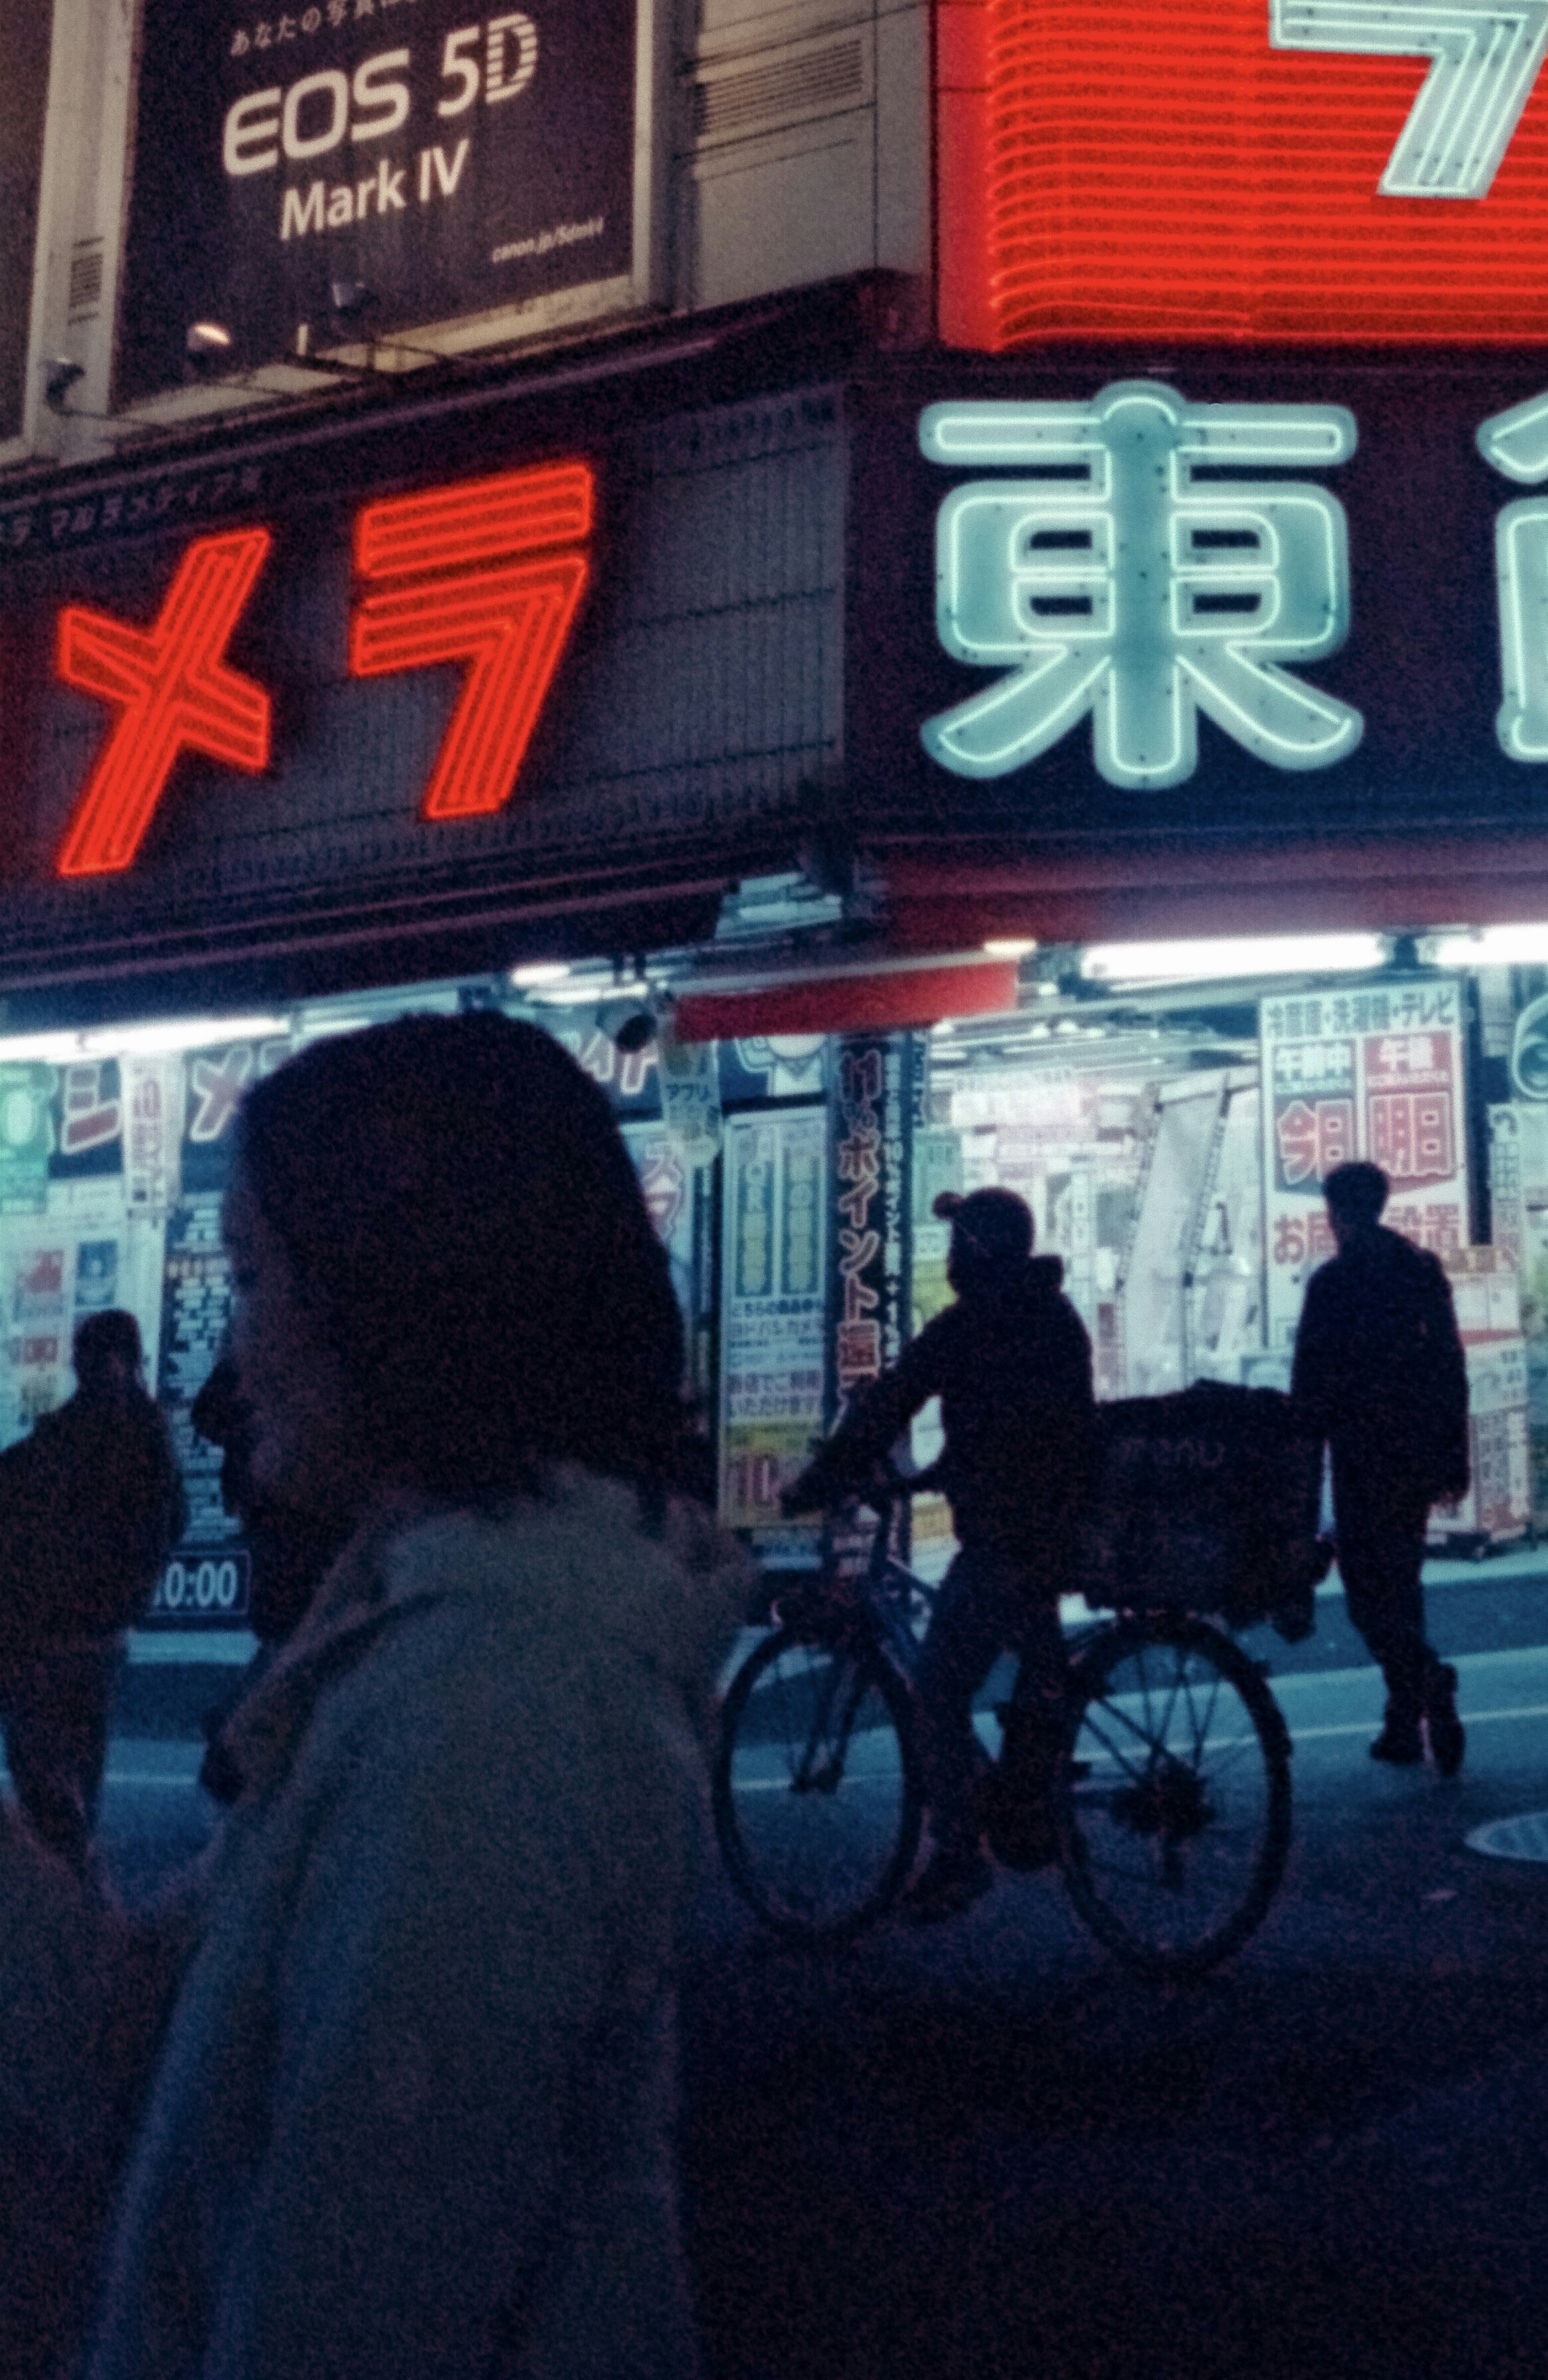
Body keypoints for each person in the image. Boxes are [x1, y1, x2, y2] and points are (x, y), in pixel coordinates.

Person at [0, 1008, 753, 2380]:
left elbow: (356, 2288)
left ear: (394, 1294)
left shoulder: (498, 1696)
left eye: (250, 1276)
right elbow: (141, 2047)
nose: (233, 1355)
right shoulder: (427, 1633)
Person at [787, 1184, 1100, 1920]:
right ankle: (1030, 1803)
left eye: (958, 1243)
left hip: (1006, 1536)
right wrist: (942, 1471)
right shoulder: (1055, 1314)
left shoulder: (971, 1325)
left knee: (936, 1688)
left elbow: (893, 1399)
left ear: (979, 1254)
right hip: (1057, 1530)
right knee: (1035, 1681)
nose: (950, 1257)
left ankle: (959, 1854)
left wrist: (823, 1477)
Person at [1292, 1160, 1471, 1774]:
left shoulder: (1333, 1282)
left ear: (1335, 1212)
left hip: (1361, 1455)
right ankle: (1403, 1722)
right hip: (1415, 1453)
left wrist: (1299, 1462)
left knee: (1367, 1597)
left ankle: (1427, 1680)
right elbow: (1449, 1364)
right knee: (1403, 1583)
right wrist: (1454, 1452)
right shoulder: (1420, 1268)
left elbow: (1308, 1384)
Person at [0, 1311, 182, 1862]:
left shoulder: (61, 1440)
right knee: (78, 1775)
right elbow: (171, 1520)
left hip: (40, 1632)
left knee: (43, 1780)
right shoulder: (146, 1435)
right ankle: (72, 1876)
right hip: (101, 1631)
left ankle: (61, 1886)